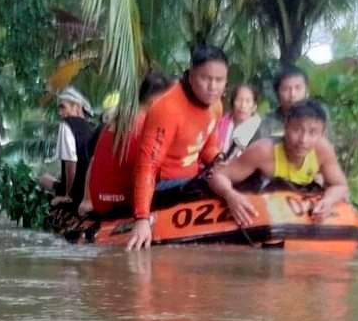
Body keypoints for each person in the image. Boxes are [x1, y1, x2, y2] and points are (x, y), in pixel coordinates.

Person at [126, 46, 228, 250]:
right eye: (205, 78)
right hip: (163, 186)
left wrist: (222, 162)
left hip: (192, 181)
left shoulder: (216, 105)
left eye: (219, 80)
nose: (213, 87)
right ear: (190, 75)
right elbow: (147, 165)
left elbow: (208, 147)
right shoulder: (167, 108)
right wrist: (142, 219)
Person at [208, 99, 349, 227]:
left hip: (294, 212)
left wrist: (328, 200)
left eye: (313, 132)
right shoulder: (263, 151)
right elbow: (218, 175)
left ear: (322, 133)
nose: (303, 140)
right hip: (257, 211)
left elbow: (340, 184)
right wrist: (230, 195)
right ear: (286, 126)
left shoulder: (323, 150)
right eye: (297, 130)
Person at [79, 71, 174, 217]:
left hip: (101, 202)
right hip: (123, 204)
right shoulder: (146, 125)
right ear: (155, 100)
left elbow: (93, 161)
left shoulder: (118, 119)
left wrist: (87, 200)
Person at [38, 86, 96, 211]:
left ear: (77, 106)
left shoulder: (66, 125)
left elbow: (71, 163)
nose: (60, 113)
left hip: (77, 192)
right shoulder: (93, 127)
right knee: (51, 179)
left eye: (63, 107)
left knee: (43, 179)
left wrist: (67, 195)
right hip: (90, 191)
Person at [254, 65, 309, 140]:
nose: (292, 94)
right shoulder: (266, 123)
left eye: (298, 88)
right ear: (277, 94)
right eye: (286, 89)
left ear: (307, 91)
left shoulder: (317, 119)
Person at [216, 83, 261, 160]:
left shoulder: (258, 131)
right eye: (239, 100)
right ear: (232, 103)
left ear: (254, 107)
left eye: (248, 101)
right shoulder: (220, 123)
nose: (243, 105)